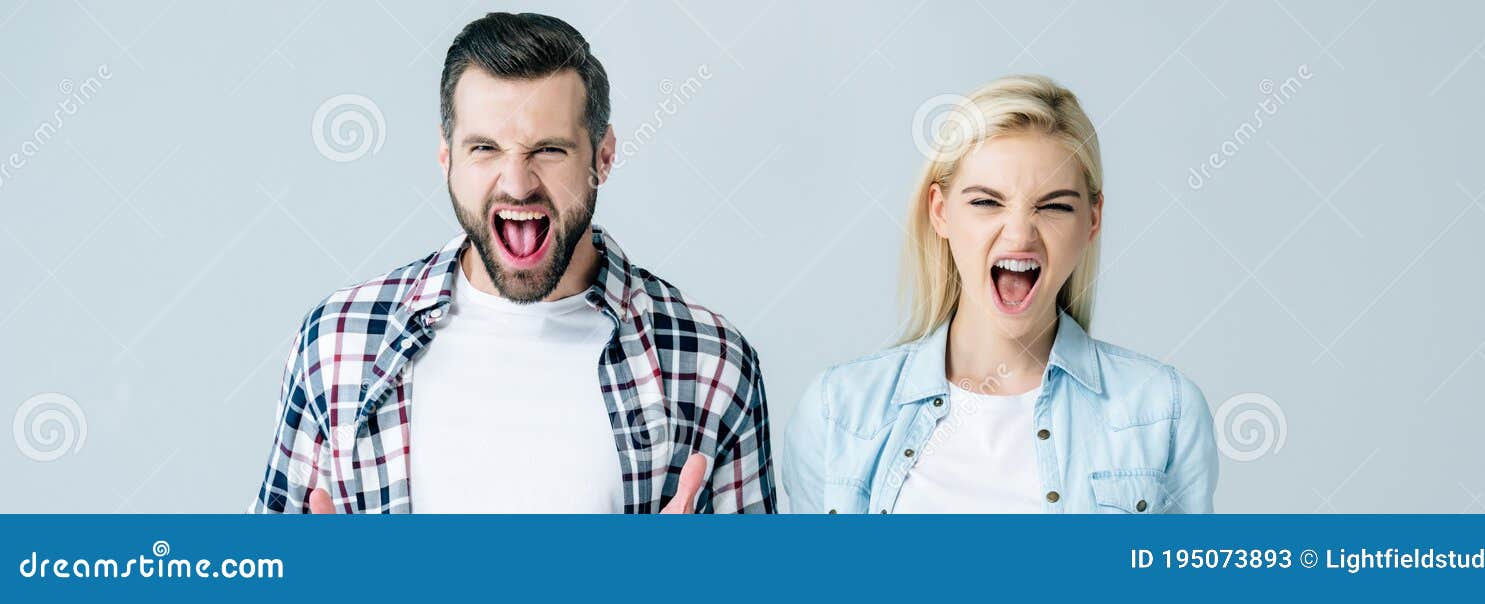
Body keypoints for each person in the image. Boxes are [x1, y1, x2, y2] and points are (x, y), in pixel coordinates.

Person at [250, 12, 774, 514]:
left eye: (548, 150)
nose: (517, 183)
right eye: (484, 148)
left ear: (603, 155)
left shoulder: (711, 363)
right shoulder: (339, 343)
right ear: (446, 156)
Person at [783, 75, 1217, 513]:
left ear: (1092, 219)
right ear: (940, 212)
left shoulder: (1164, 412)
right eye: (987, 202)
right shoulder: (837, 411)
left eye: (1054, 206)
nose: (1019, 235)